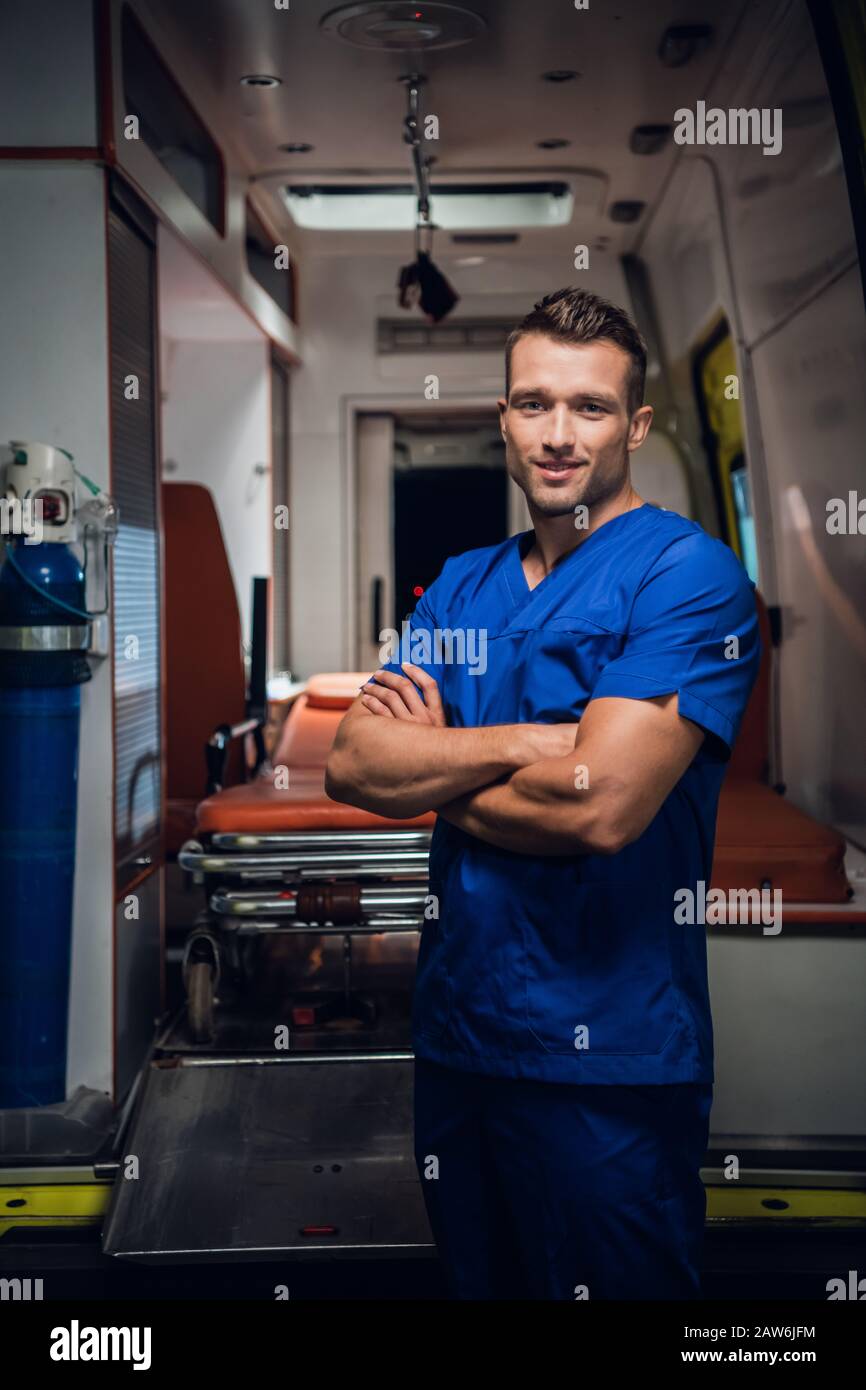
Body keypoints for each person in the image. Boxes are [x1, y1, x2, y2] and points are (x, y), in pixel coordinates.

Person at [325, 287, 761, 1300]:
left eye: (589, 407)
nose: (556, 435)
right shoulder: (462, 584)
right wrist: (526, 741)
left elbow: (596, 808)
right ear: (503, 418)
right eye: (532, 403)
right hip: (458, 1039)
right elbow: (353, 762)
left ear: (636, 426)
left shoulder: (685, 578)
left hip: (603, 1058)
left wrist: (437, 766)